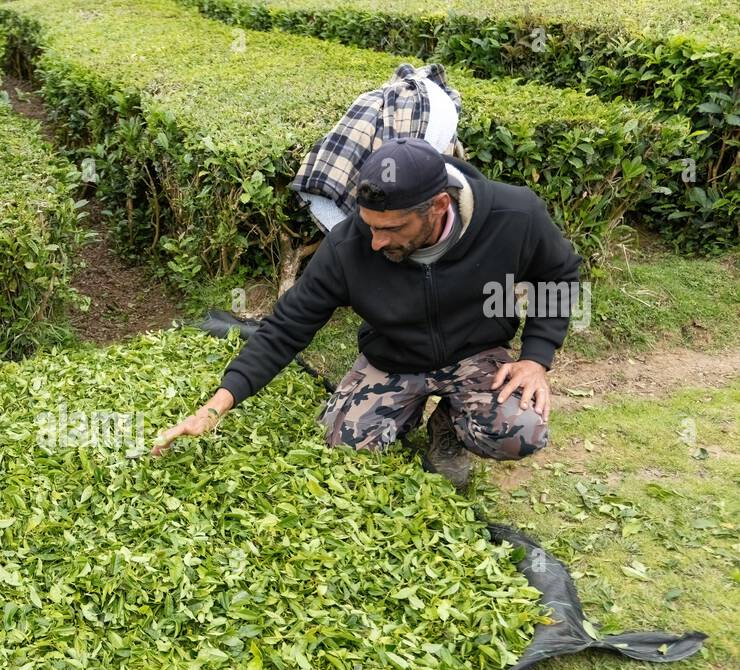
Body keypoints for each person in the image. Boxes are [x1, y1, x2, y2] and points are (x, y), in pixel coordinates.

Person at [154, 137, 583, 488]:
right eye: (369, 225)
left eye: (391, 229)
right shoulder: (349, 246)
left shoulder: (514, 215)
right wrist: (215, 407)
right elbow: (285, 328)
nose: (375, 242)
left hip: (477, 356)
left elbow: (559, 272)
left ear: (438, 206)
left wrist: (535, 357)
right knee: (344, 447)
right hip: (393, 358)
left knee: (520, 431)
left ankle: (449, 426)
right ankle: (406, 406)